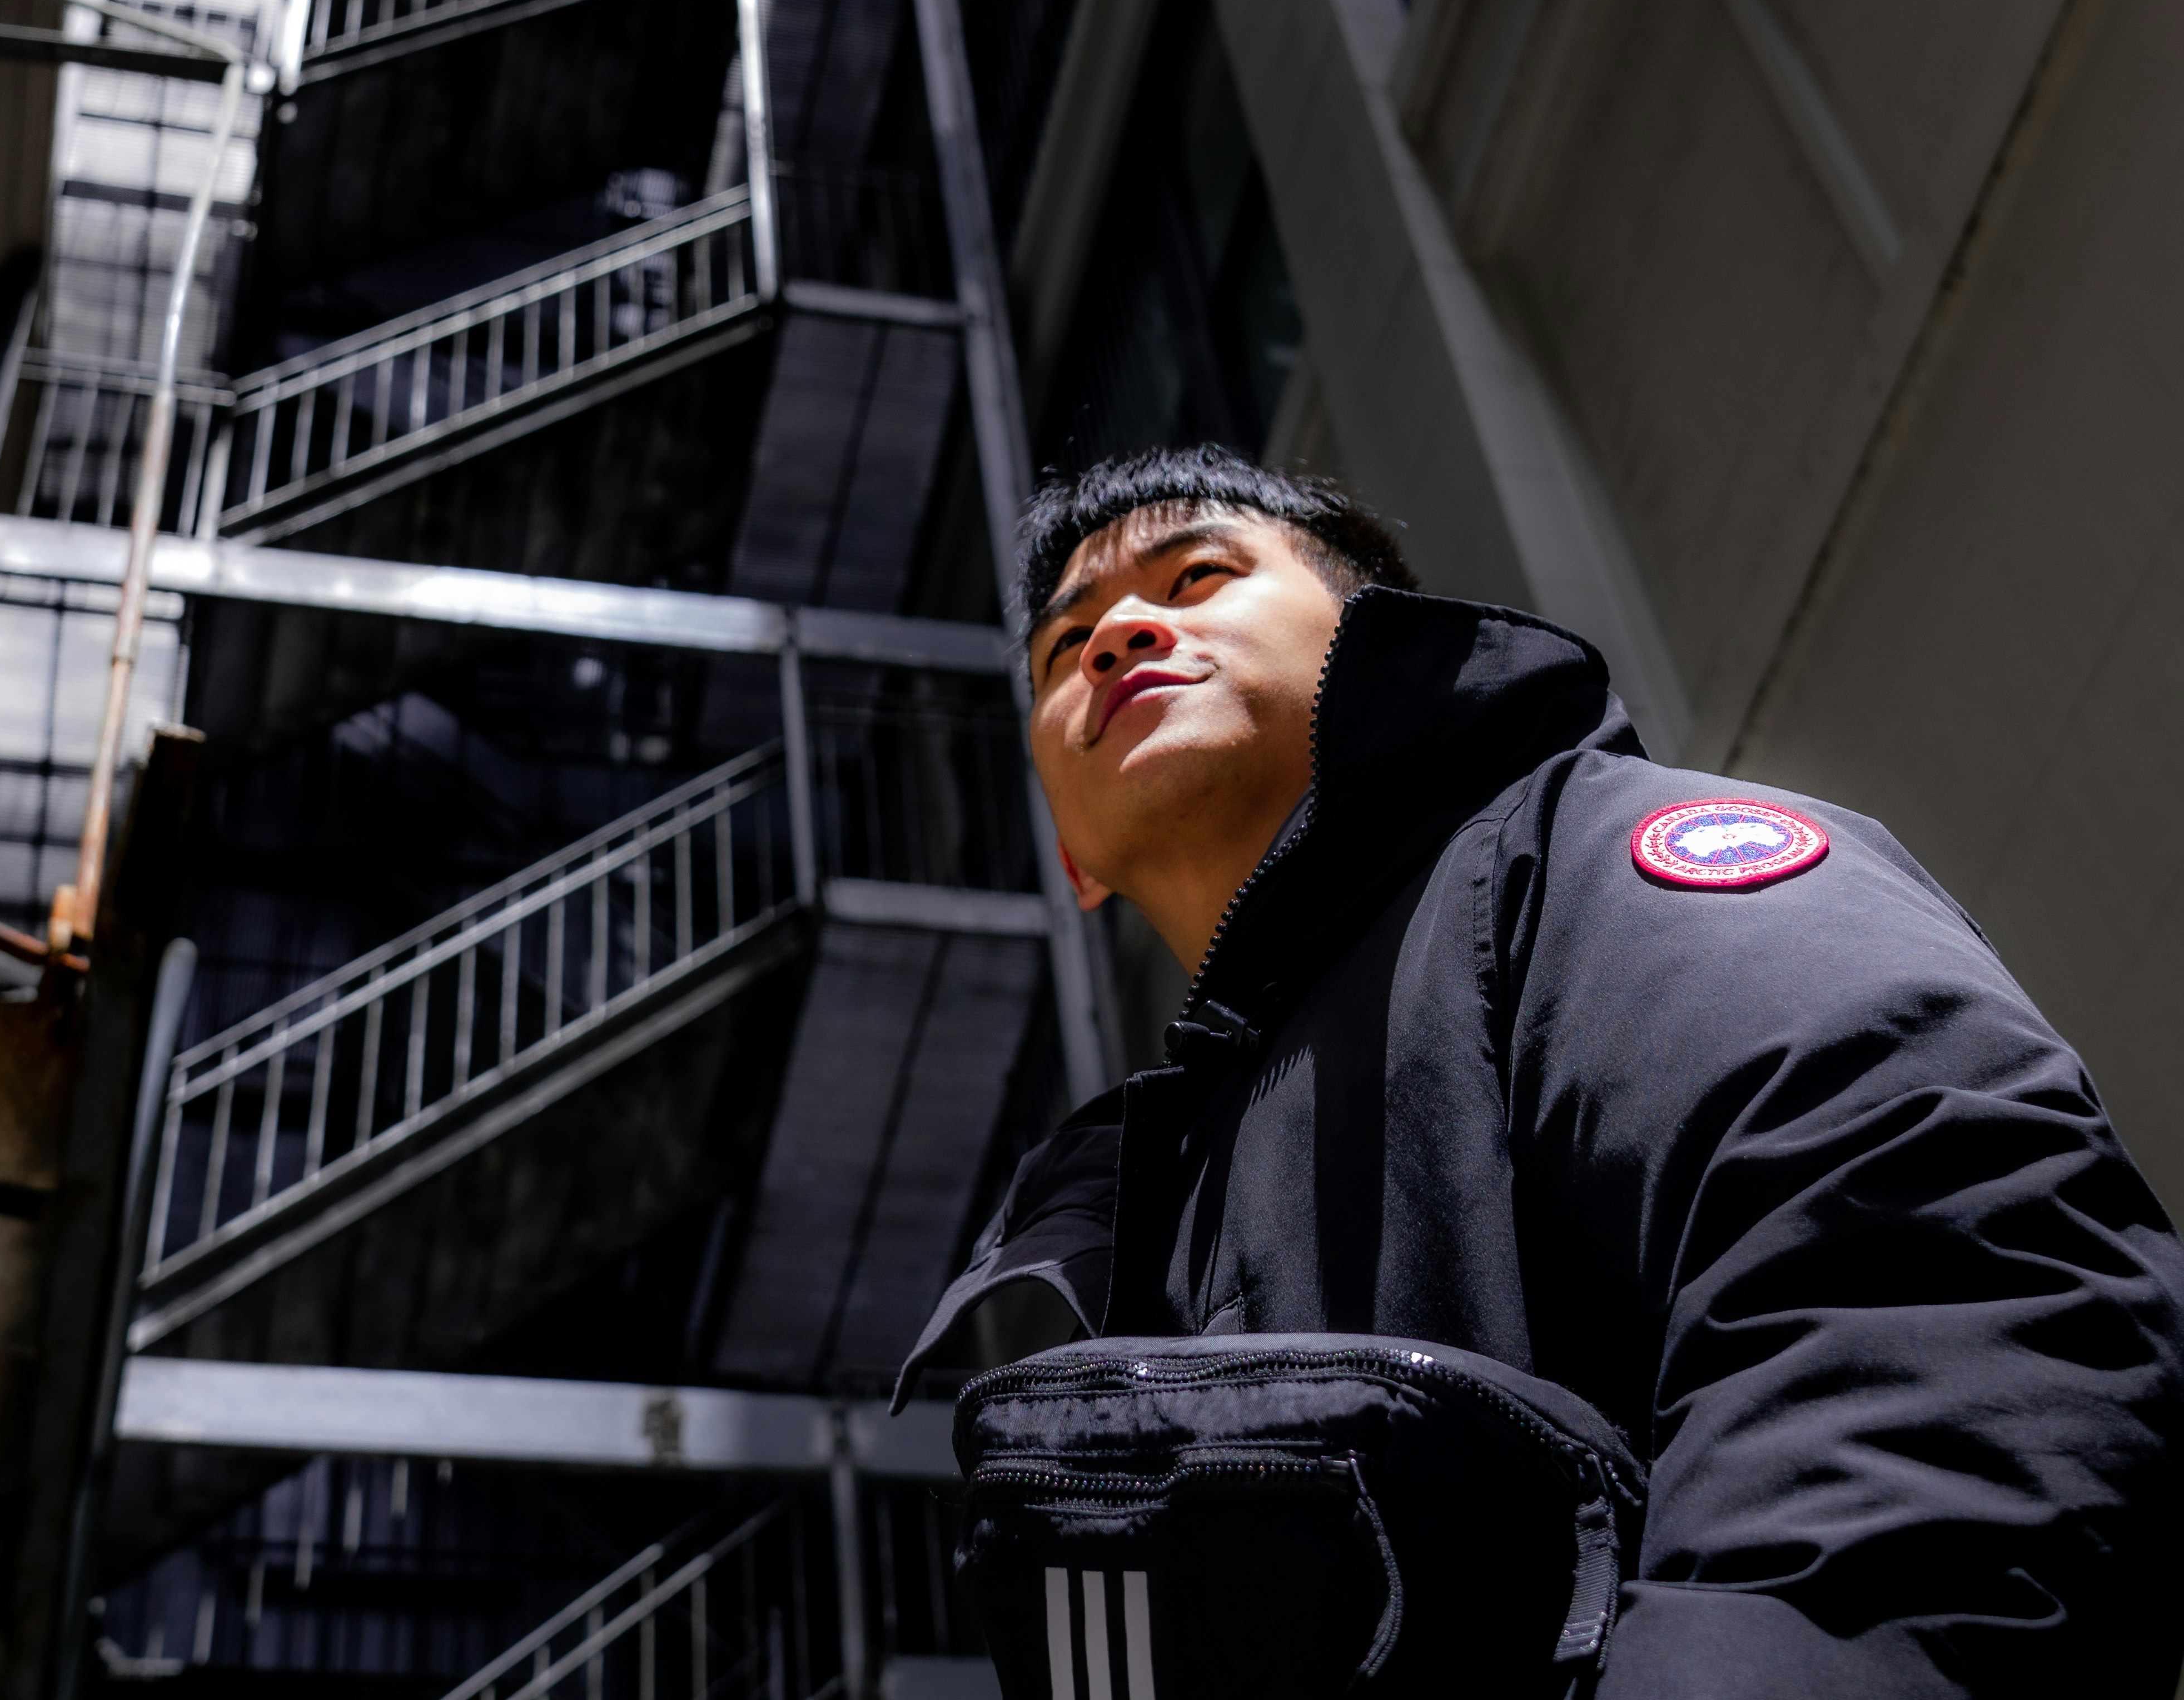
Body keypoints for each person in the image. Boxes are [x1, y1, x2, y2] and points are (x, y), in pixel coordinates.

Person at [900, 448, 2184, 1696]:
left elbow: (1934, 1288)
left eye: (1193, 580)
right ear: (1071, 862)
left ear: (1367, 632)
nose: (1119, 634)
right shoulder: (1150, 1215)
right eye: (1067, 647)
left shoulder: (1566, 864)